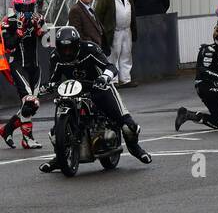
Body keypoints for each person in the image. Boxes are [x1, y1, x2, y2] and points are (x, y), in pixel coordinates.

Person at [38, 26, 152, 172]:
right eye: (63, 48)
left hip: (99, 87)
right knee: (54, 134)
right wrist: (47, 87)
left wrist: (104, 78)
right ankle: (60, 158)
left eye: (70, 48)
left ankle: (135, 148)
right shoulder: (55, 57)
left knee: (128, 127)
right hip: (74, 91)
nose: (67, 52)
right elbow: (54, 79)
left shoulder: (90, 49)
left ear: (77, 44)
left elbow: (110, 67)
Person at [0, 0, 45, 149]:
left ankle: (7, 129)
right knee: (29, 101)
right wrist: (19, 32)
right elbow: (9, 46)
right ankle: (27, 139)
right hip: (19, 65)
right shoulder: (7, 21)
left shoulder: (38, 17)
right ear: (16, 6)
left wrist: (40, 30)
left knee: (34, 104)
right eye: (22, 7)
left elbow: (48, 41)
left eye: (29, 7)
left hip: (35, 66)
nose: (26, 11)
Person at [94, 0, 137, 87]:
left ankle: (125, 79)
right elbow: (98, 15)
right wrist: (104, 31)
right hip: (114, 31)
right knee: (113, 55)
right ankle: (113, 80)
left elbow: (132, 11)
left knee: (126, 55)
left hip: (127, 30)